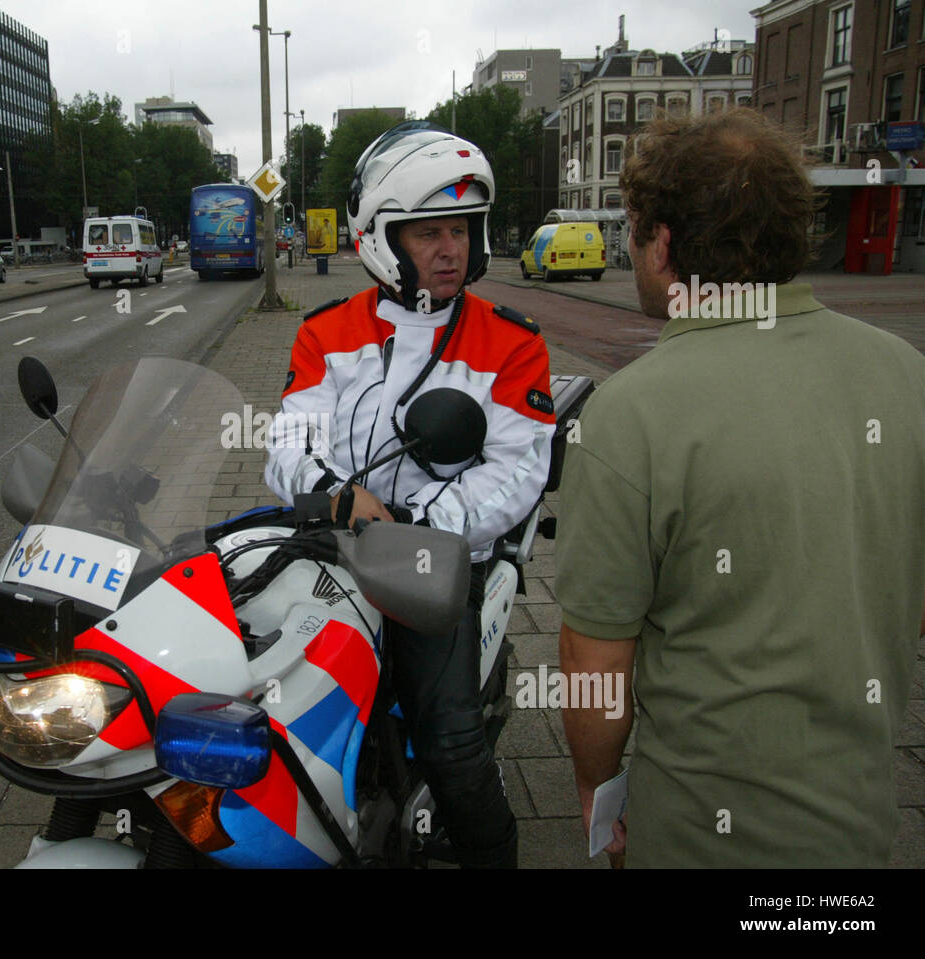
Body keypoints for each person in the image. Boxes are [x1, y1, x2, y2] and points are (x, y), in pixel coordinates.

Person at [554, 108, 925, 868]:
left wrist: (596, 785)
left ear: (663, 243)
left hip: (698, 833)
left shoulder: (630, 414)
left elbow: (596, 665)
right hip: (858, 825)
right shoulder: (907, 374)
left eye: (632, 230)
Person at [264, 122, 556, 868]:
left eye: (459, 229)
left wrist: (424, 523)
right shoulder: (325, 333)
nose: (449, 248)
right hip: (334, 550)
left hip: (439, 564)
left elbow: (518, 469)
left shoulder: (512, 341)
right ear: (380, 238)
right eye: (427, 232)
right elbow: (289, 443)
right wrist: (333, 496)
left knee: (453, 742)